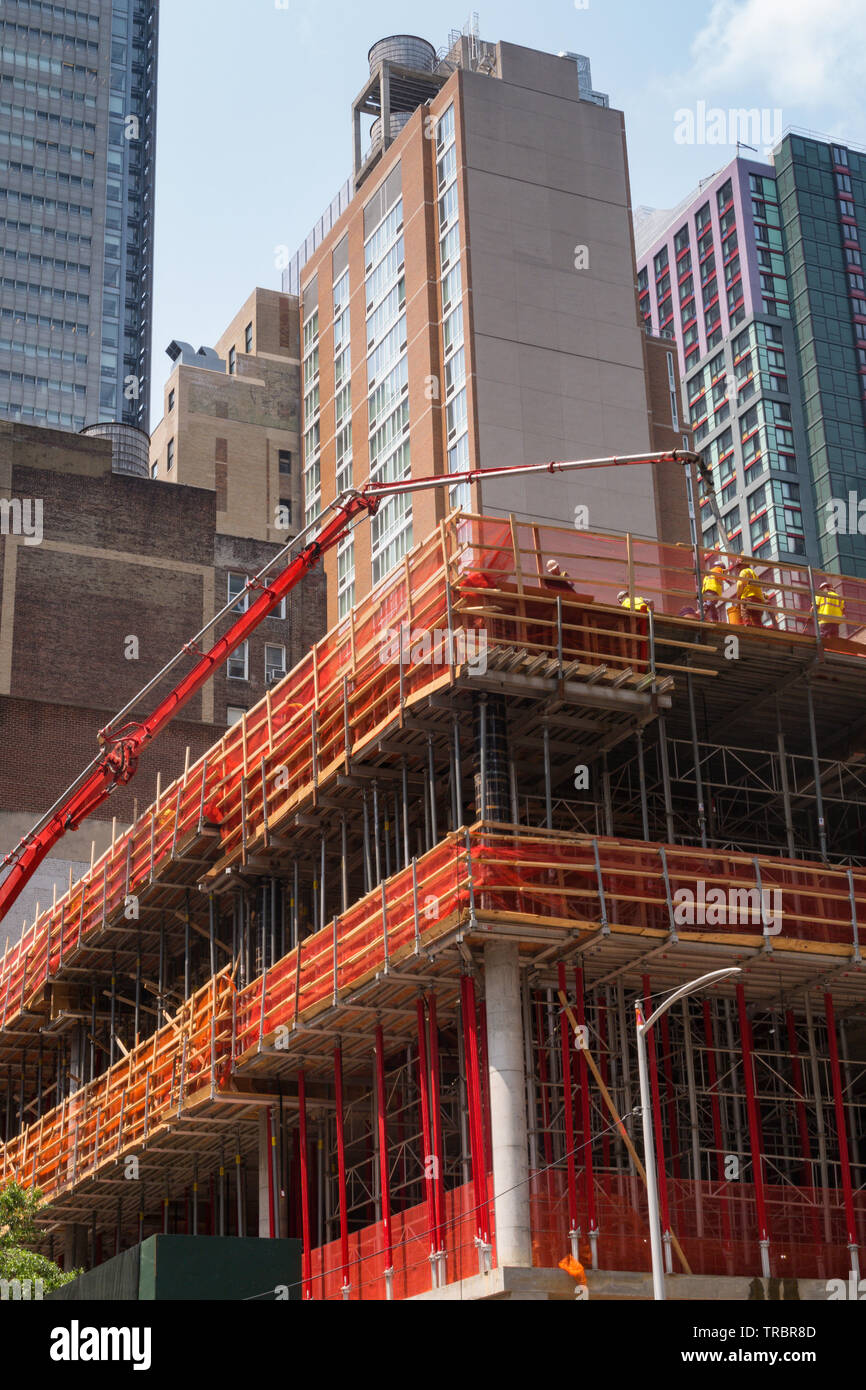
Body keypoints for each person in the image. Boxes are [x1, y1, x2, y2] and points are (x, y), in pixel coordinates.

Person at [735, 559, 777, 629]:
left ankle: (747, 624)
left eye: (739, 566)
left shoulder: (743, 572)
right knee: (757, 619)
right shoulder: (754, 573)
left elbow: (740, 584)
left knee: (745, 612)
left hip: (748, 599)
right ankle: (760, 628)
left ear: (744, 565)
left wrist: (738, 597)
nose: (738, 569)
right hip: (759, 601)